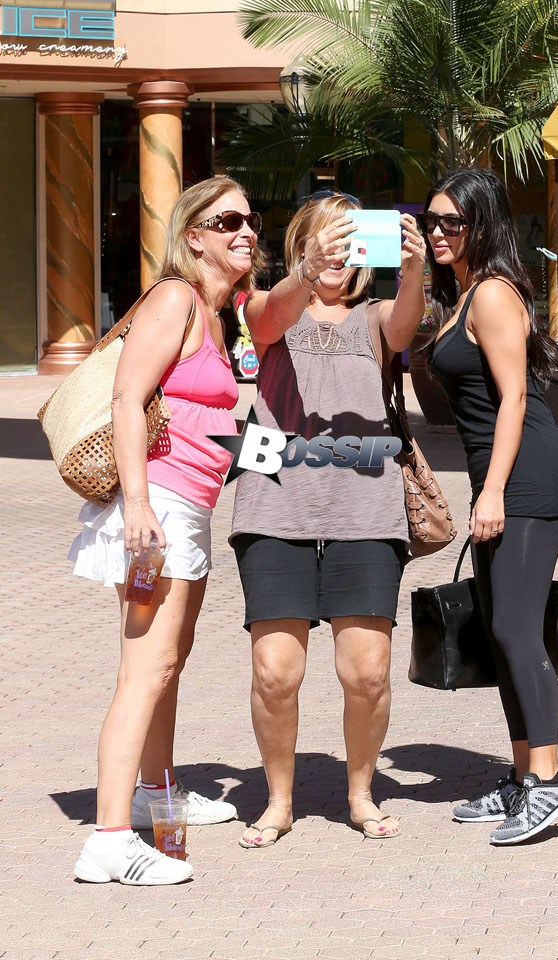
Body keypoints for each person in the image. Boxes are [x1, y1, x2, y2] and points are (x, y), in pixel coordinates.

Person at [71, 176, 262, 884]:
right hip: (160, 516)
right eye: (229, 220)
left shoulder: (216, 313)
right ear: (193, 236)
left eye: (251, 220)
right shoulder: (176, 298)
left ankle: (158, 800)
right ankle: (109, 840)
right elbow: (127, 399)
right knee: (143, 671)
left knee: (167, 666)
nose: (246, 232)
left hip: (189, 511)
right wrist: (141, 508)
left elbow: (201, 416)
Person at [228, 191, 427, 848]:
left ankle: (360, 793)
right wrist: (306, 270)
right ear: (301, 245)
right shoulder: (268, 308)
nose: (337, 252)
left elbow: (404, 327)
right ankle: (279, 800)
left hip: (365, 513)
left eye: (348, 240)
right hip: (275, 508)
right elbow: (268, 317)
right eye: (324, 239)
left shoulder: (371, 318)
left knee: (366, 673)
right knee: (275, 672)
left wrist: (415, 268)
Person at [422, 168, 558, 845]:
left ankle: (550, 783)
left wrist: (491, 491)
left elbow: (515, 398)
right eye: (430, 220)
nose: (437, 232)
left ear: (483, 226)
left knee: (518, 630)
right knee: (501, 629)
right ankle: (524, 778)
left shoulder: (492, 294)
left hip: (531, 476)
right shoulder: (461, 295)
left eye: (451, 223)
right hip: (507, 476)